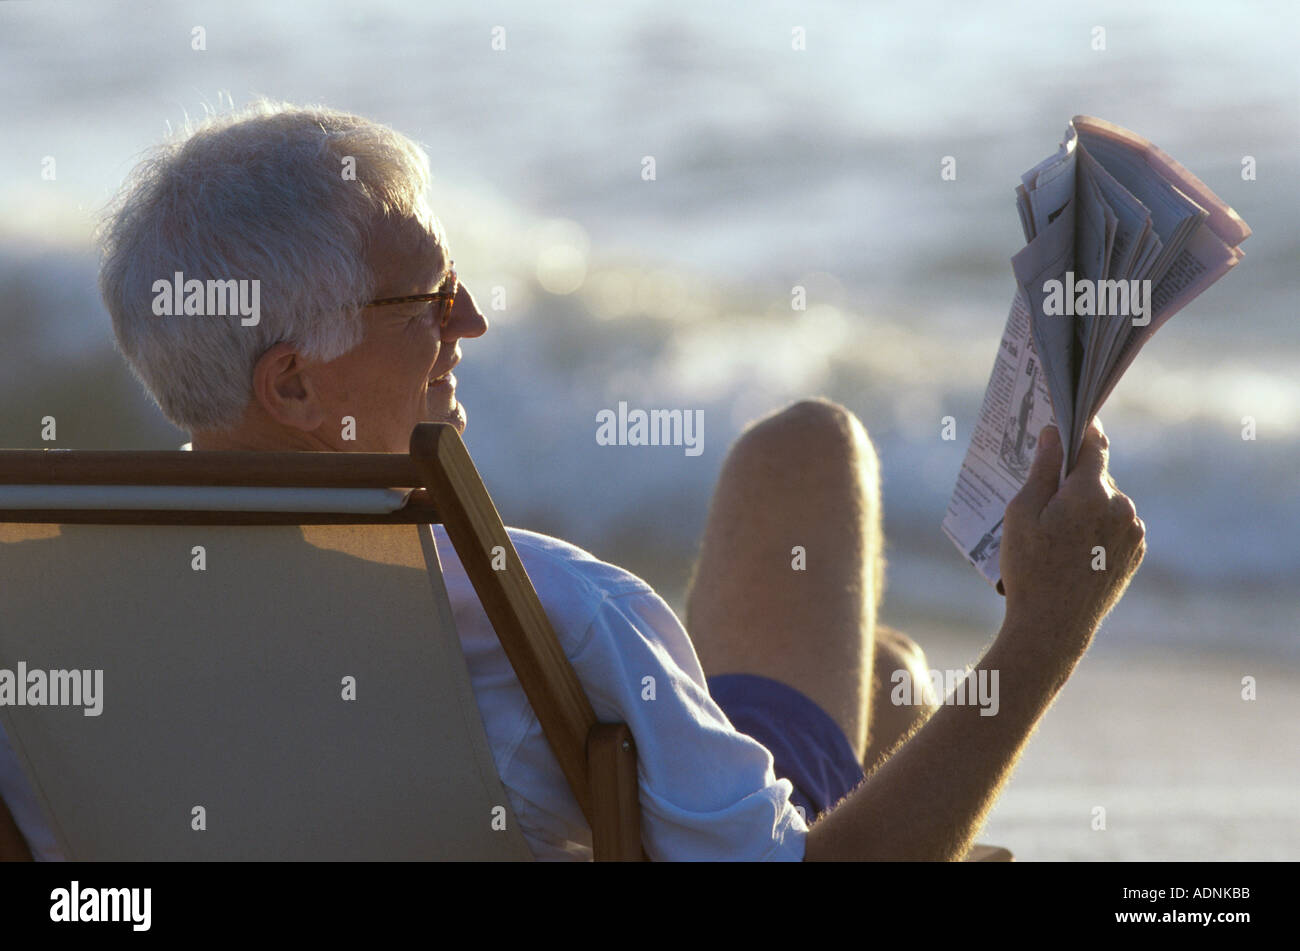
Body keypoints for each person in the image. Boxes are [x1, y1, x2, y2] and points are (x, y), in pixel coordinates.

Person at [0, 101, 1145, 861]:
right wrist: (1043, 632)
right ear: (294, 387)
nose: (474, 323)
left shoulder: (37, 610)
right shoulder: (541, 609)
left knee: (890, 677)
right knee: (806, 452)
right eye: (427, 305)